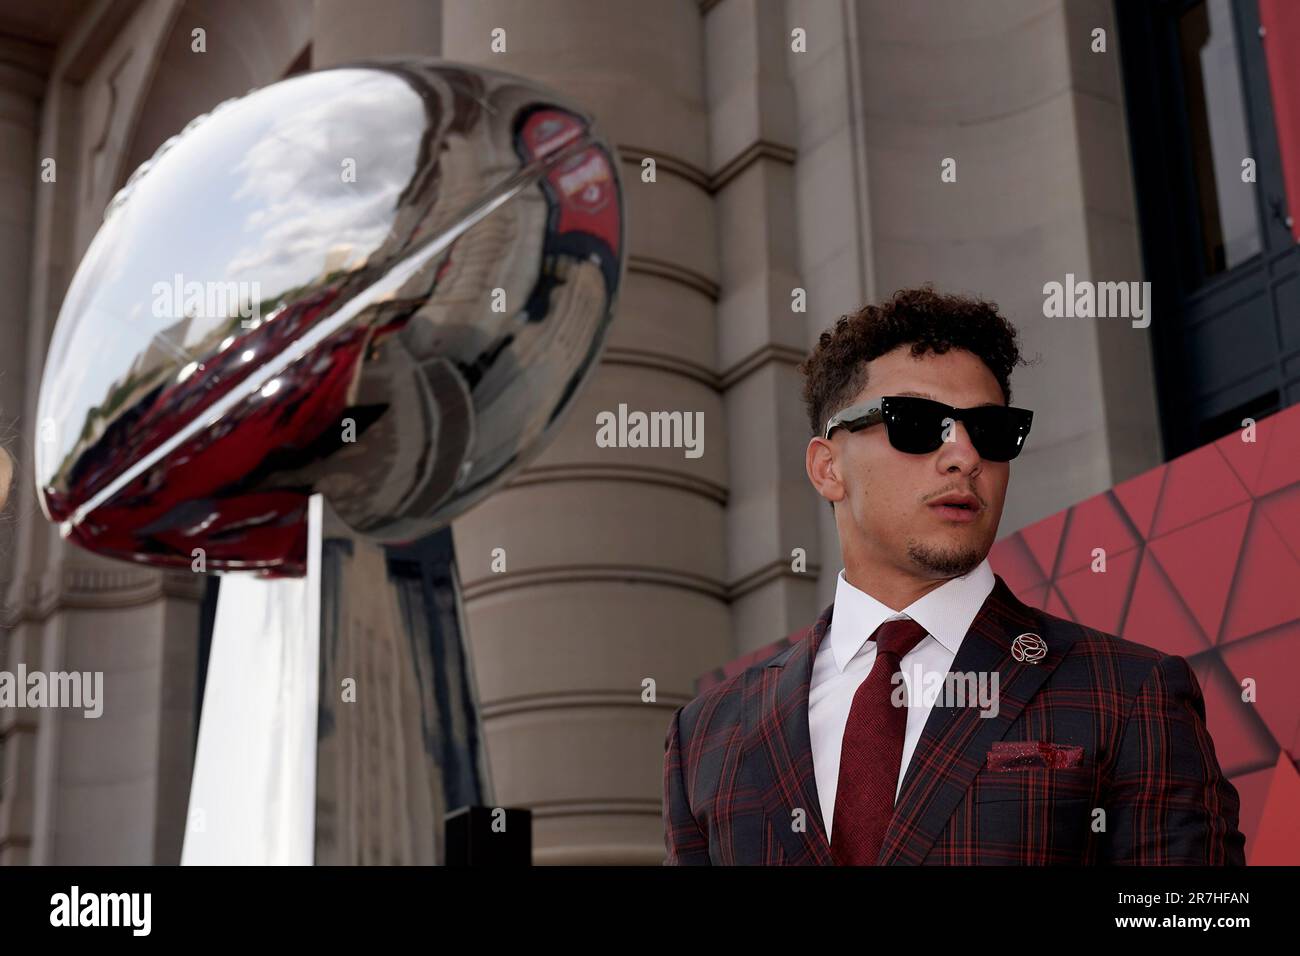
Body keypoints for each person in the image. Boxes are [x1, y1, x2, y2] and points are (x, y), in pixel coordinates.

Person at [662, 286, 1246, 865]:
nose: (964, 454)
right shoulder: (710, 733)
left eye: (991, 432)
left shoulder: (1130, 692)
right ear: (827, 467)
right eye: (918, 422)